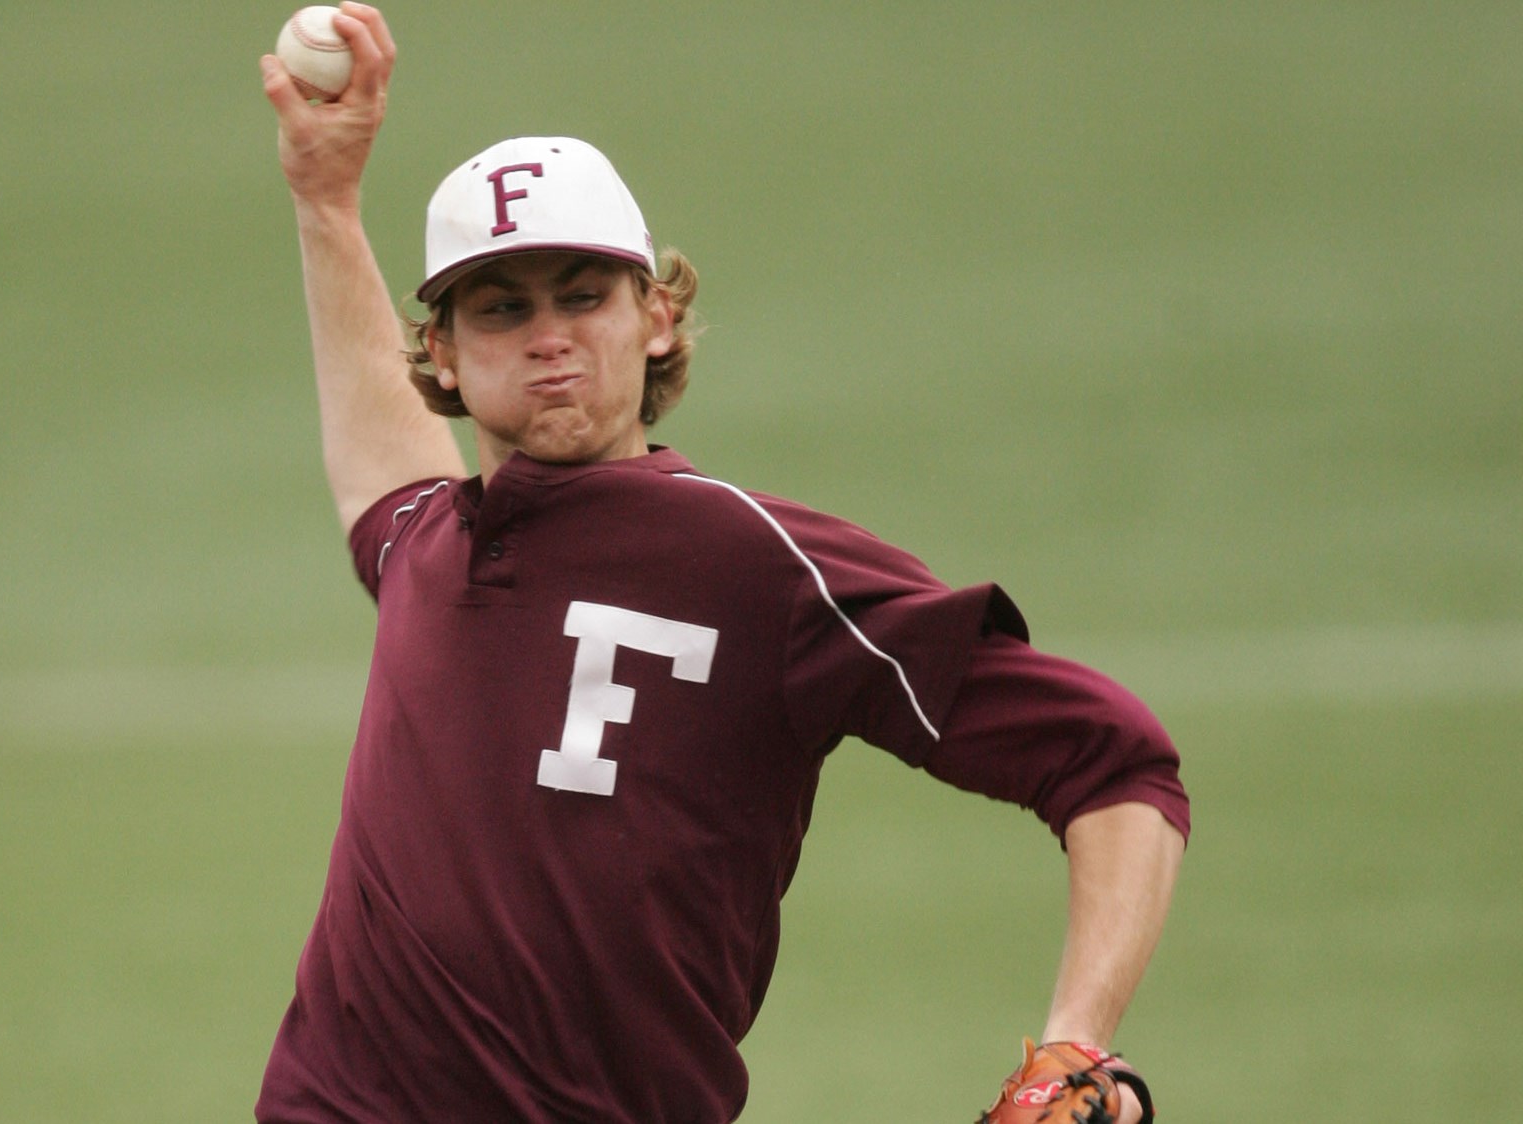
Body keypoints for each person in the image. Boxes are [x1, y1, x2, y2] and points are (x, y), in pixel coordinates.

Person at [255, 6, 1188, 1122]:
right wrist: (323, 198)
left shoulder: (755, 561)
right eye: (502, 308)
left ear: (654, 314)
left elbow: (1110, 761)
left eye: (583, 294)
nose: (548, 335)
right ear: (443, 357)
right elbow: (379, 469)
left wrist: (1076, 1045)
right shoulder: (429, 544)